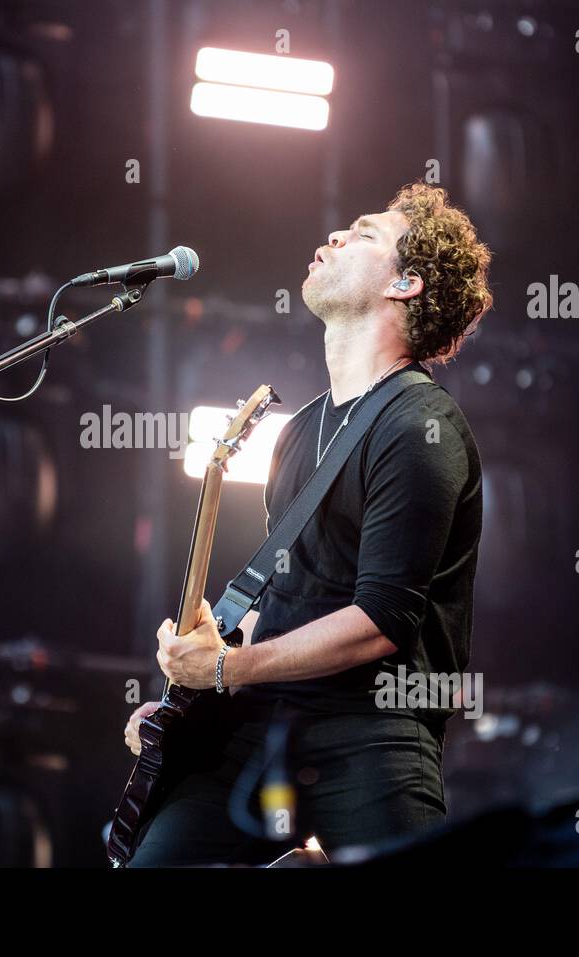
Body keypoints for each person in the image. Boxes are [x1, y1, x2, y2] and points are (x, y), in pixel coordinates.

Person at [124, 183, 493, 866]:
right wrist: (195, 693)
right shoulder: (297, 430)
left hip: (373, 729)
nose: (331, 239)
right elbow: (294, 598)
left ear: (407, 282)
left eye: (362, 233)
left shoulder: (421, 428)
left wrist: (229, 665)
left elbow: (380, 620)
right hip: (266, 723)